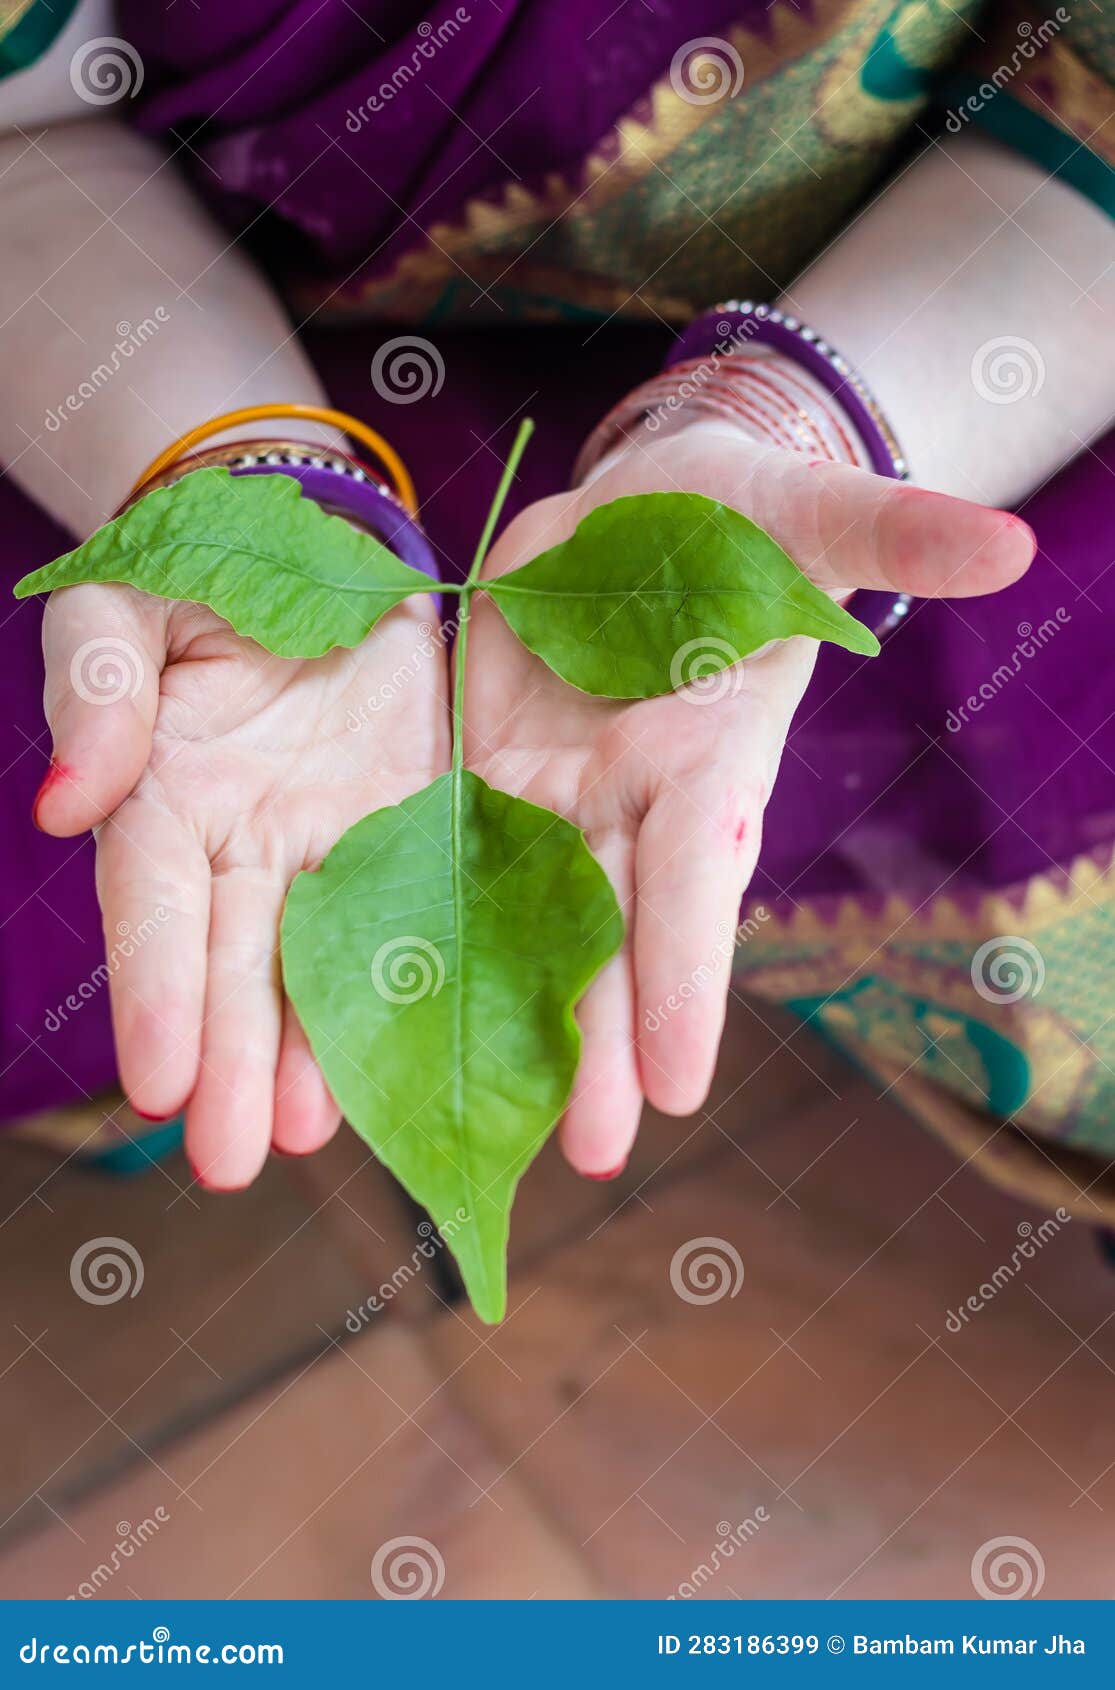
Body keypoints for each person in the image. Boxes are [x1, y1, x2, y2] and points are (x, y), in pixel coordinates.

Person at [0, 1, 1111, 1215]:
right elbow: (27, 140)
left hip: (941, 333)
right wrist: (227, 475)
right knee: (85, 909)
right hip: (204, 337)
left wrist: (795, 416)